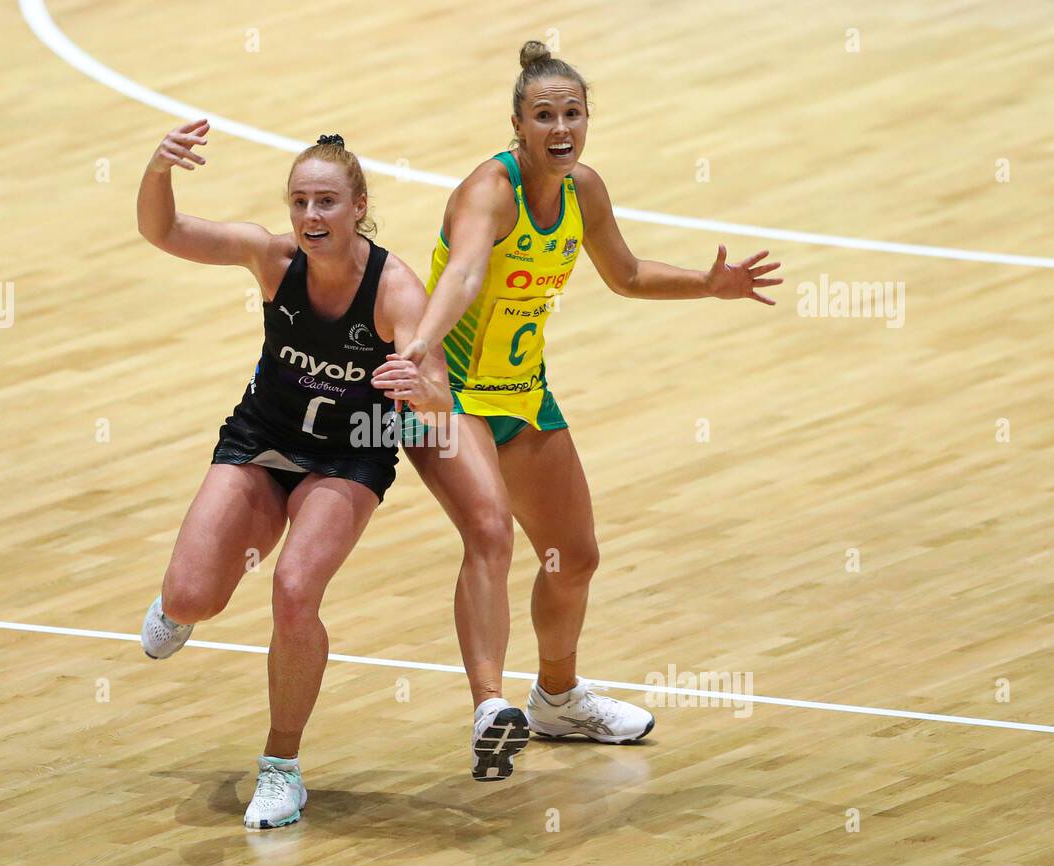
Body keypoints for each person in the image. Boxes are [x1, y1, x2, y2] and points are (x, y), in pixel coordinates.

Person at [391, 42, 782, 781]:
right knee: (489, 536)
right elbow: (468, 271)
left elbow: (626, 273)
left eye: (573, 113)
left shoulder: (584, 191)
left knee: (574, 559)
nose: (561, 127)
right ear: (517, 125)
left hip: (522, 392)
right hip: (447, 390)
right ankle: (489, 710)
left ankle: (559, 698)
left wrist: (708, 282)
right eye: (545, 115)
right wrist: (418, 345)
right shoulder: (488, 190)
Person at [136, 123, 449, 825]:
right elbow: (166, 232)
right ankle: (178, 607)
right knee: (190, 598)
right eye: (301, 202)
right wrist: (159, 170)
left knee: (293, 588)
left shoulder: (395, 288)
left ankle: (281, 767)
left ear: (359, 205)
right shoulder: (273, 259)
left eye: (328, 203)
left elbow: (440, 398)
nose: (312, 217)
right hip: (263, 437)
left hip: (350, 453)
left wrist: (422, 392)